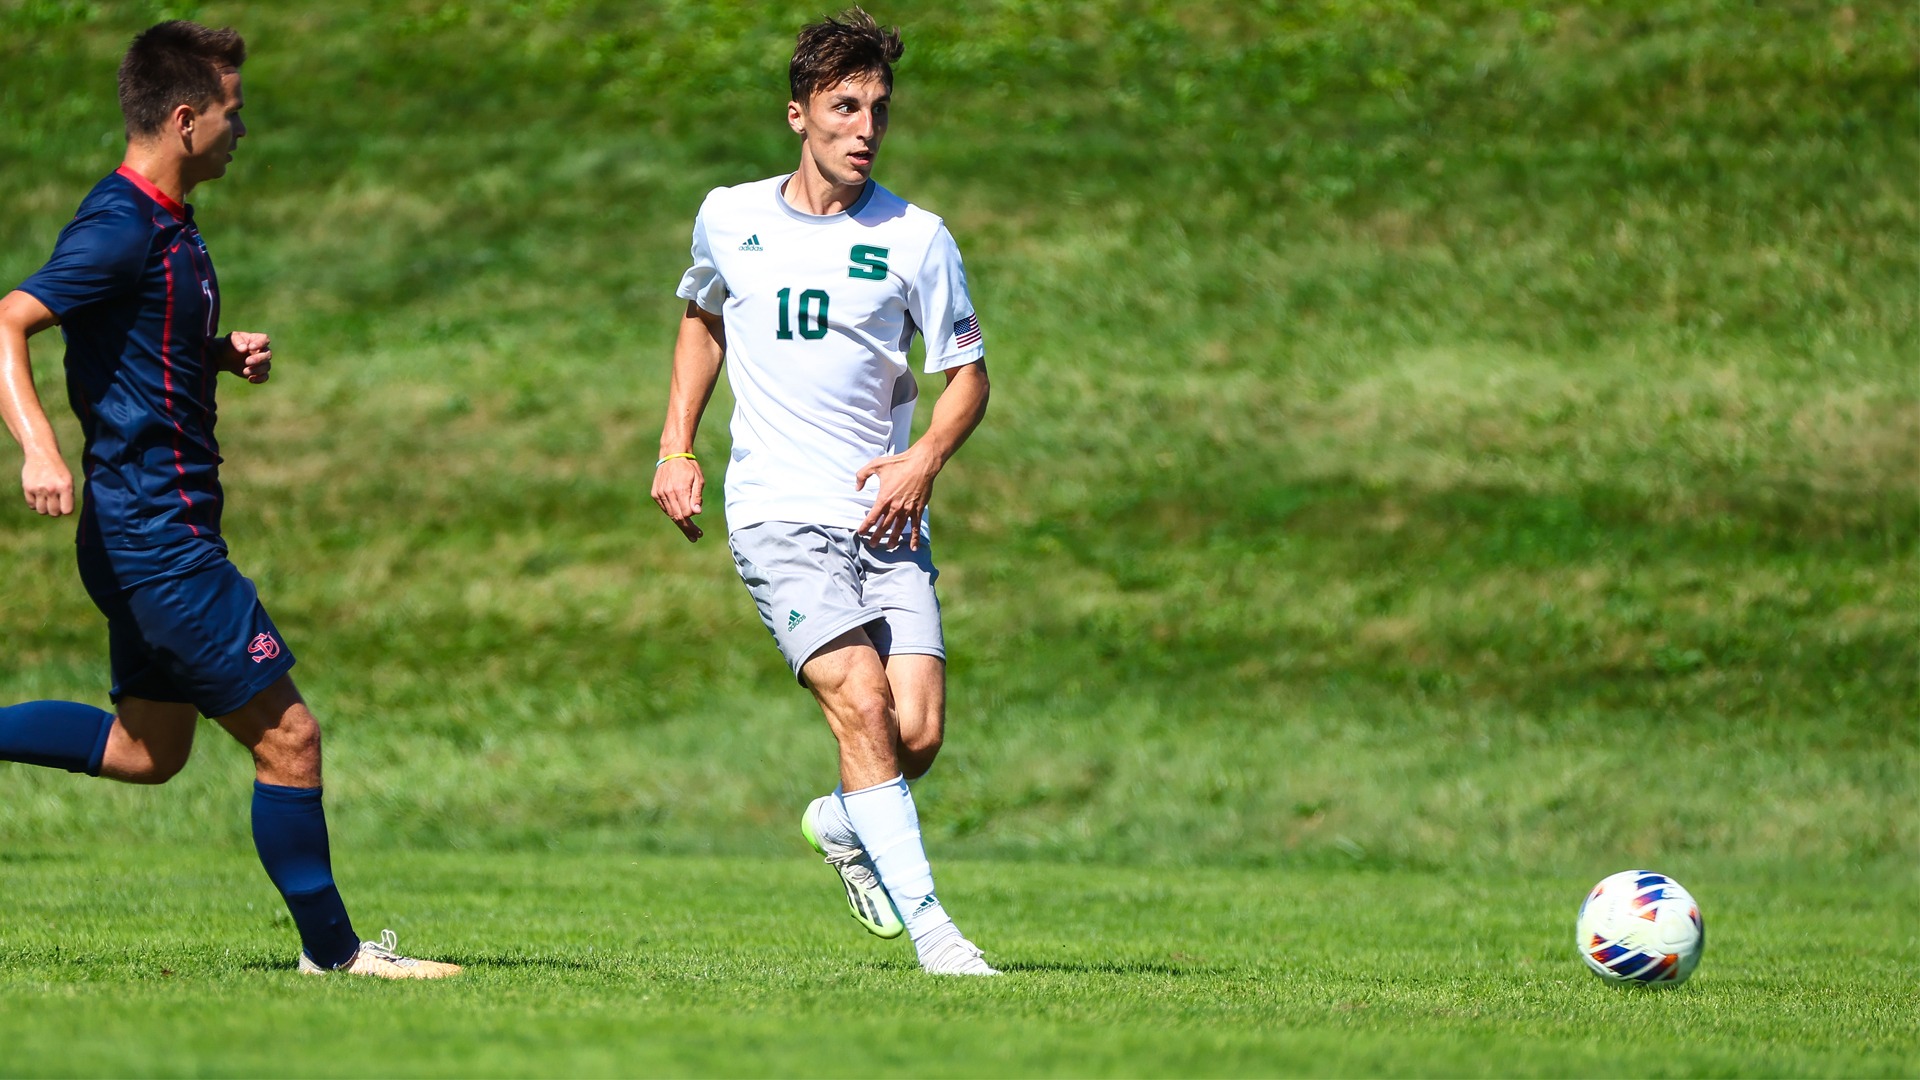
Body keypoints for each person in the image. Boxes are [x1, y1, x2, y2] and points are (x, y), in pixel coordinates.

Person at [0, 20, 458, 979]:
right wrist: (38, 451)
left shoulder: (165, 225)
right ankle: (334, 958)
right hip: (156, 540)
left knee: (145, 751)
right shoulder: (120, 225)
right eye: (231, 115)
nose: (241, 131)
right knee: (290, 738)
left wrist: (213, 352)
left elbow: (124, 339)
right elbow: (10, 320)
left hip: (141, 534)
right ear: (183, 119)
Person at [651, 7, 996, 976]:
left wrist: (923, 456)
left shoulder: (918, 237)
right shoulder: (731, 215)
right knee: (855, 697)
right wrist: (676, 446)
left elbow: (966, 372)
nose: (865, 128)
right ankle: (936, 933)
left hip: (887, 517)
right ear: (798, 113)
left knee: (912, 731)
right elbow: (701, 315)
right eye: (844, 106)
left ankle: (842, 822)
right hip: (775, 512)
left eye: (878, 109)